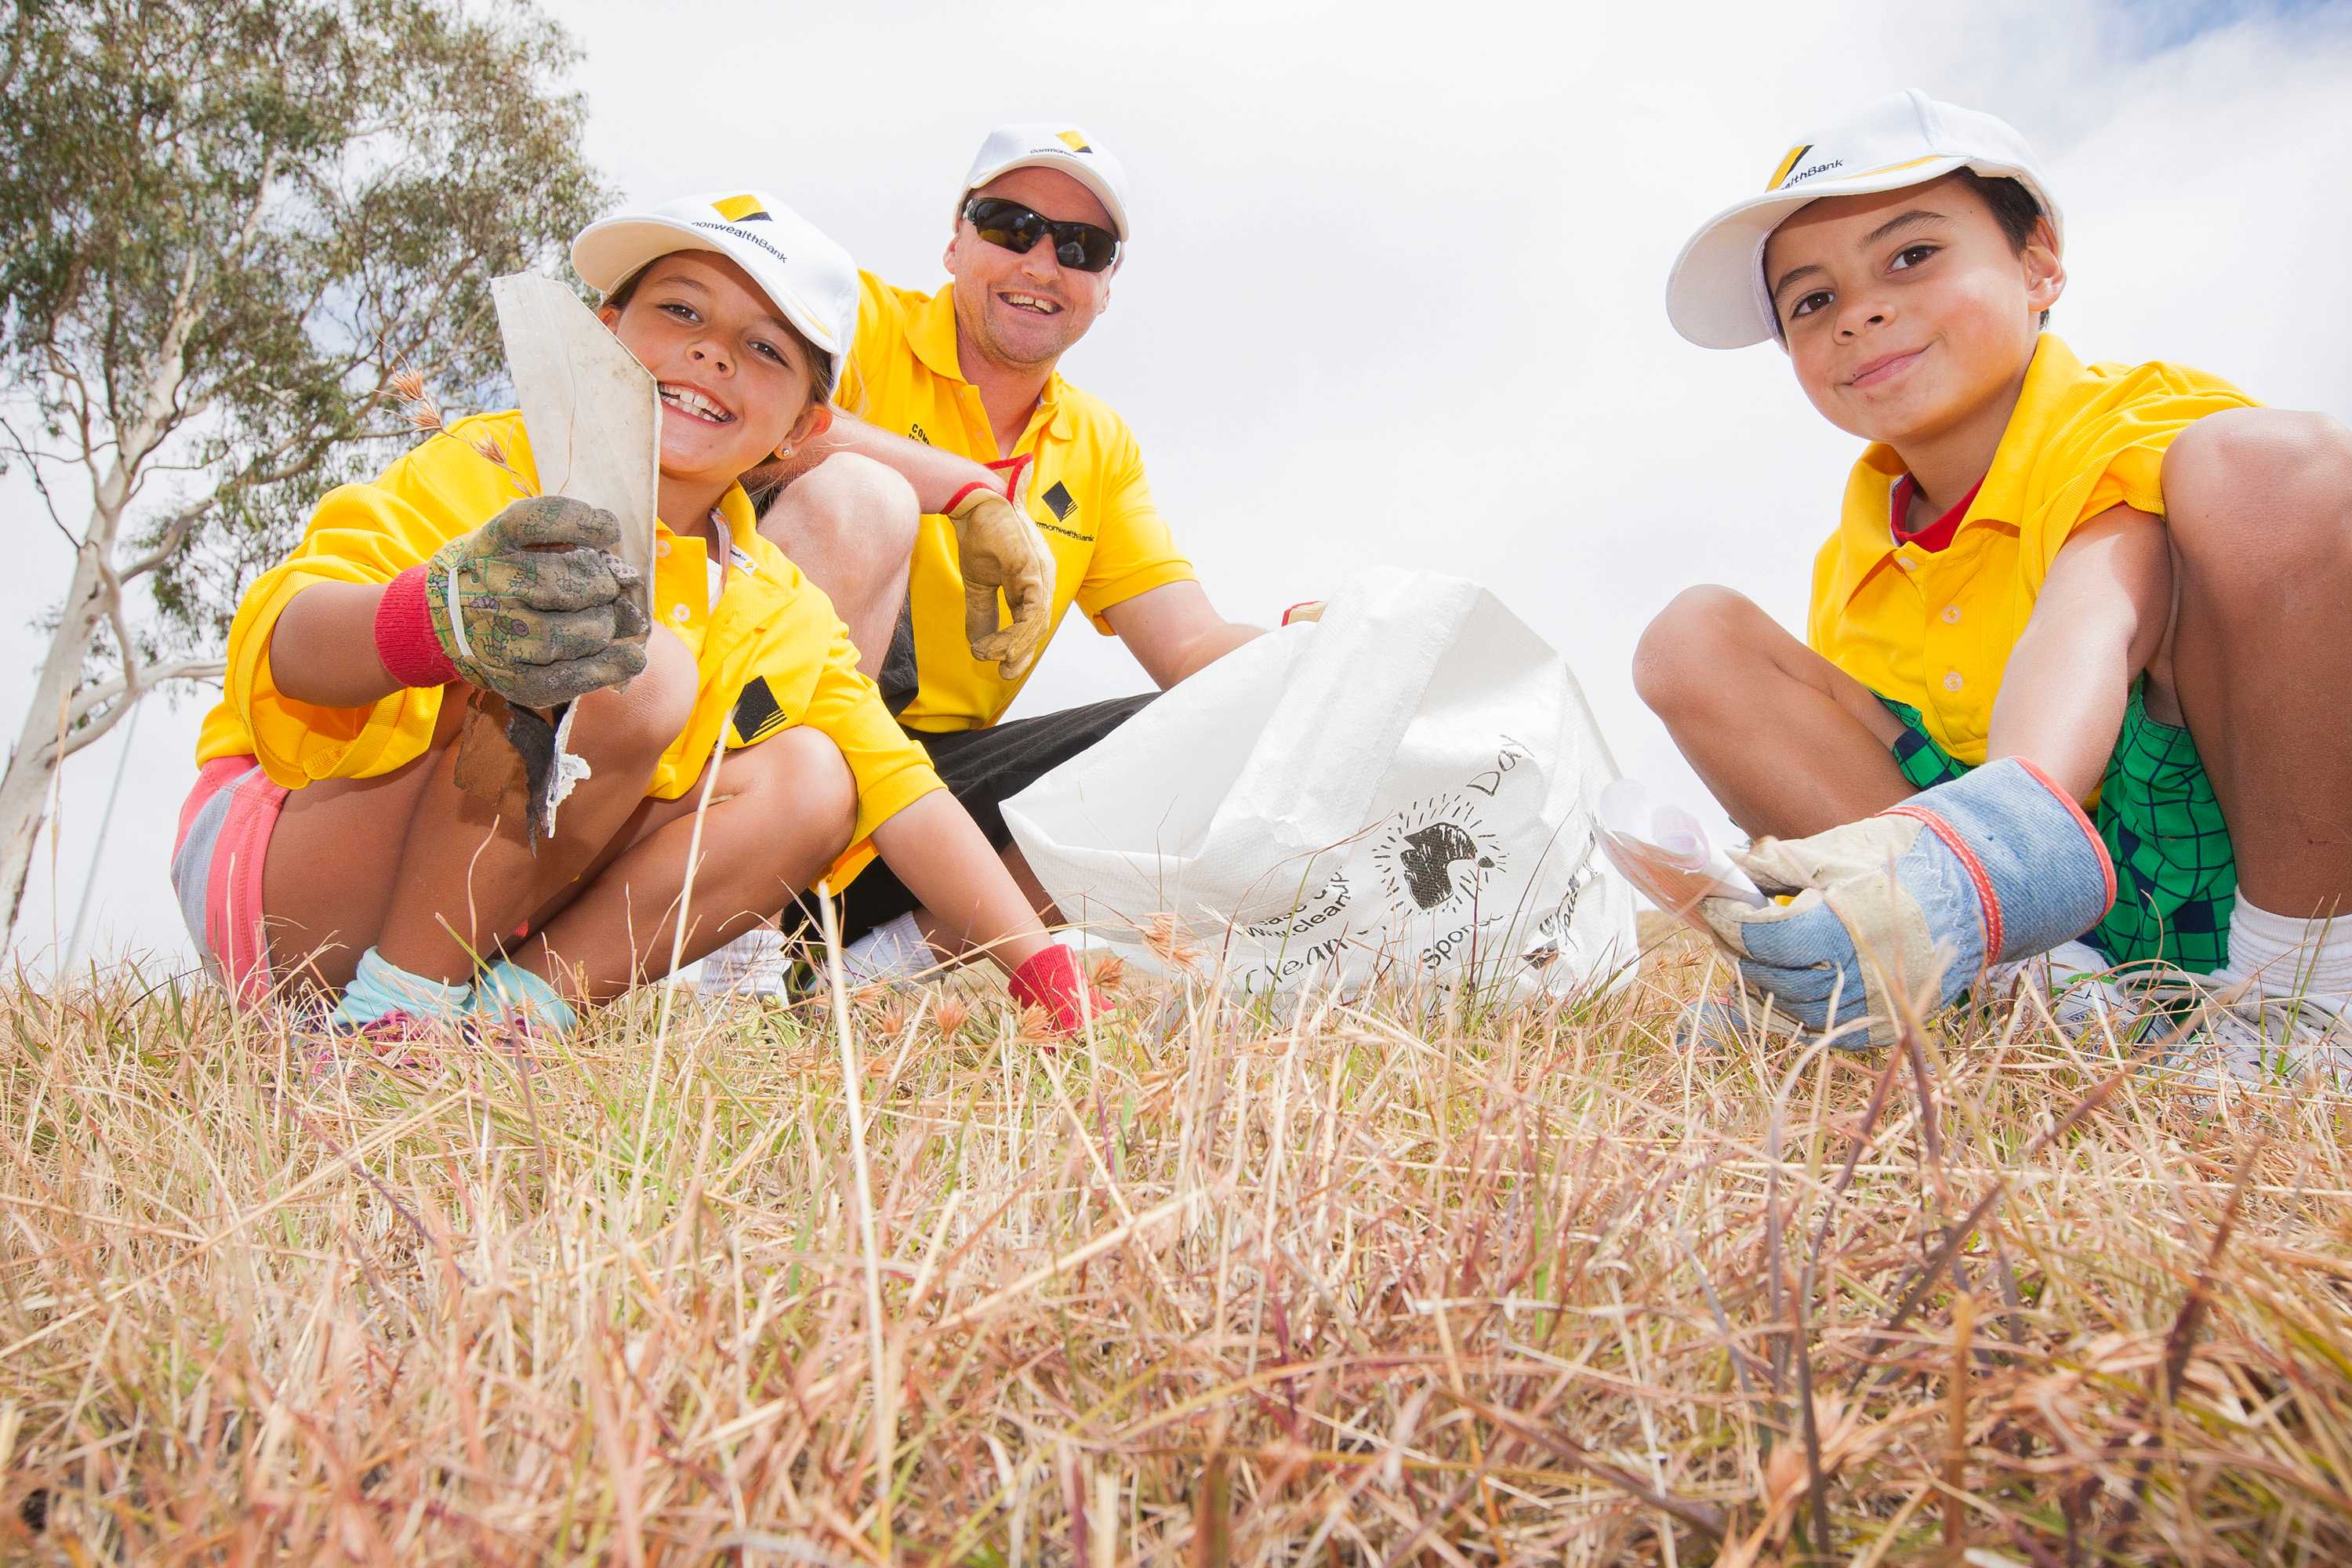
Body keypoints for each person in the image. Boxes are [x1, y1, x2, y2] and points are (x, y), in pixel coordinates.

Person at [171, 191, 1105, 1037]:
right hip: (287, 880)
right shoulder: (492, 467)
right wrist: (447, 610)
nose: (712, 353)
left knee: (818, 777)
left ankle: (507, 1022)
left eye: (766, 349)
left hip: (496, 916)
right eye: (682, 311)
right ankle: (393, 1022)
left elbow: (904, 791)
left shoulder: (769, 593)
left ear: (801, 432)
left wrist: (1039, 965)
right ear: (604, 332)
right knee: (637, 661)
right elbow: (291, 647)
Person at [1633, 90, 2352, 1075]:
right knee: (1692, 639)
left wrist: (1999, 837)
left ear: (2039, 261)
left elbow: (2101, 603)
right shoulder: (1853, 562)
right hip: (2042, 928)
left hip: (2229, 855)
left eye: (1911, 255)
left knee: (2269, 466)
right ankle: (2027, 997)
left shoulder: (2122, 414)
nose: (1862, 312)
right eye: (1812, 300)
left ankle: (2305, 1002)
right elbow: (1868, 767)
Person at [703, 123, 1268, 991]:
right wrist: (965, 487)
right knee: (868, 497)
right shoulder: (855, 319)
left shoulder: (1099, 444)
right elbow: (765, 415)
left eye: (1082, 246)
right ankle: (719, 929)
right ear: (956, 240)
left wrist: (1316, 649)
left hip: (919, 797)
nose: (1043, 263)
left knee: (1208, 723)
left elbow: (1189, 648)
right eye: (1012, 225)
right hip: (746, 768)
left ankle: (866, 979)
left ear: (1107, 285)